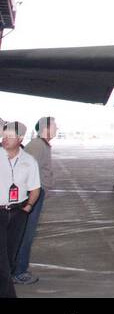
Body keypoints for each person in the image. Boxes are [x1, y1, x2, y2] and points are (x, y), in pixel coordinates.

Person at [13, 116, 55, 285]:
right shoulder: (38, 145)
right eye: (55, 126)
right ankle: (19, 271)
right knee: (25, 234)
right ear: (47, 128)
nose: (57, 129)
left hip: (36, 193)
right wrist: (29, 199)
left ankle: (17, 269)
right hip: (32, 194)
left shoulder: (42, 145)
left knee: (26, 234)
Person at [1, 121, 41, 299]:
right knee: (1, 260)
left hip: (18, 213)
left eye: (10, 137)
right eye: (4, 136)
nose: (5, 140)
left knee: (9, 257)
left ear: (20, 138)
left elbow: (35, 188)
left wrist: (28, 207)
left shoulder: (29, 161)